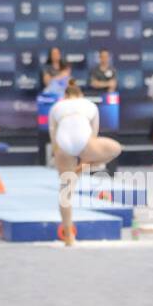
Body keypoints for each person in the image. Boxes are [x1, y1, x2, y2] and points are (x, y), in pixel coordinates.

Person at [49, 83, 122, 247]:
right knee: (115, 149)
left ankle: (68, 236)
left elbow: (53, 135)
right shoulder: (89, 105)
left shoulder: (56, 106)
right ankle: (82, 168)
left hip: (63, 143)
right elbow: (93, 133)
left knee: (65, 192)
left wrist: (58, 155)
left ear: (65, 96)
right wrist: (87, 160)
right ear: (80, 94)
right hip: (85, 141)